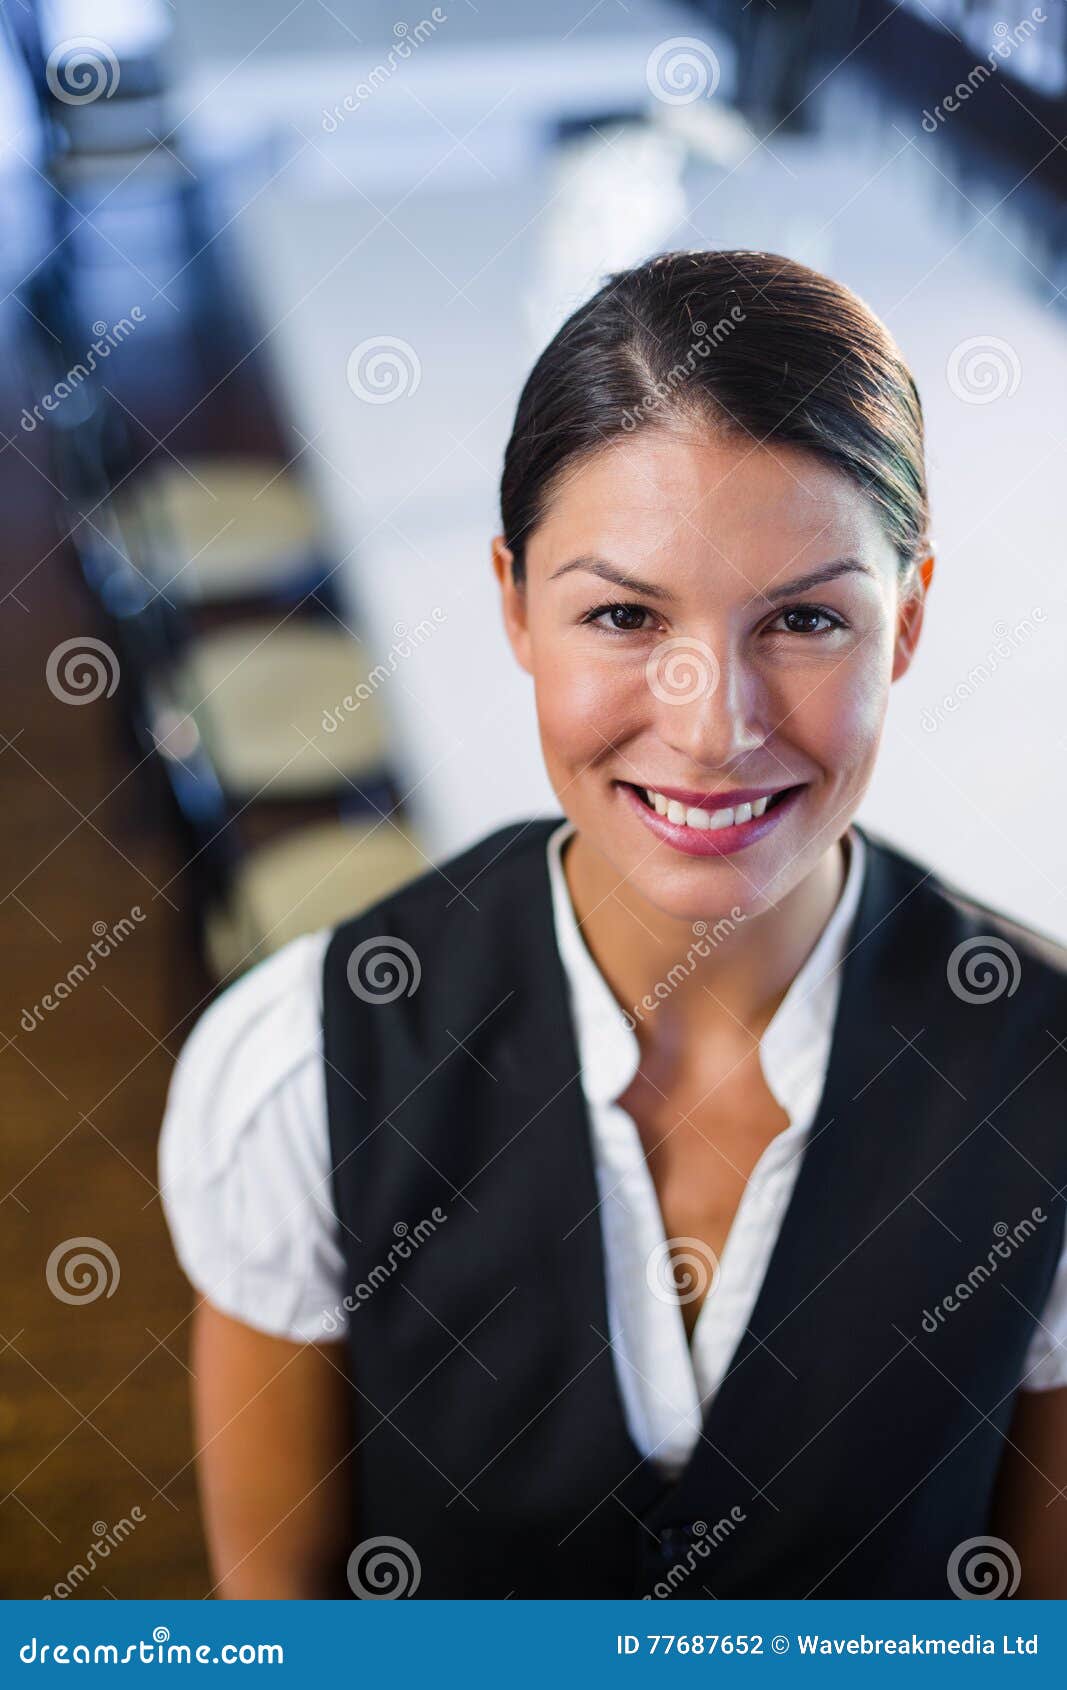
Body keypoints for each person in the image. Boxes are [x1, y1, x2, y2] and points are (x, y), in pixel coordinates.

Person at [159, 249, 1067, 1600]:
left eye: (806, 618)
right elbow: (281, 1631)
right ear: (516, 605)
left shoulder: (1043, 1078)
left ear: (909, 623)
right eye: (624, 614)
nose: (713, 729)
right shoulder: (300, 1068)